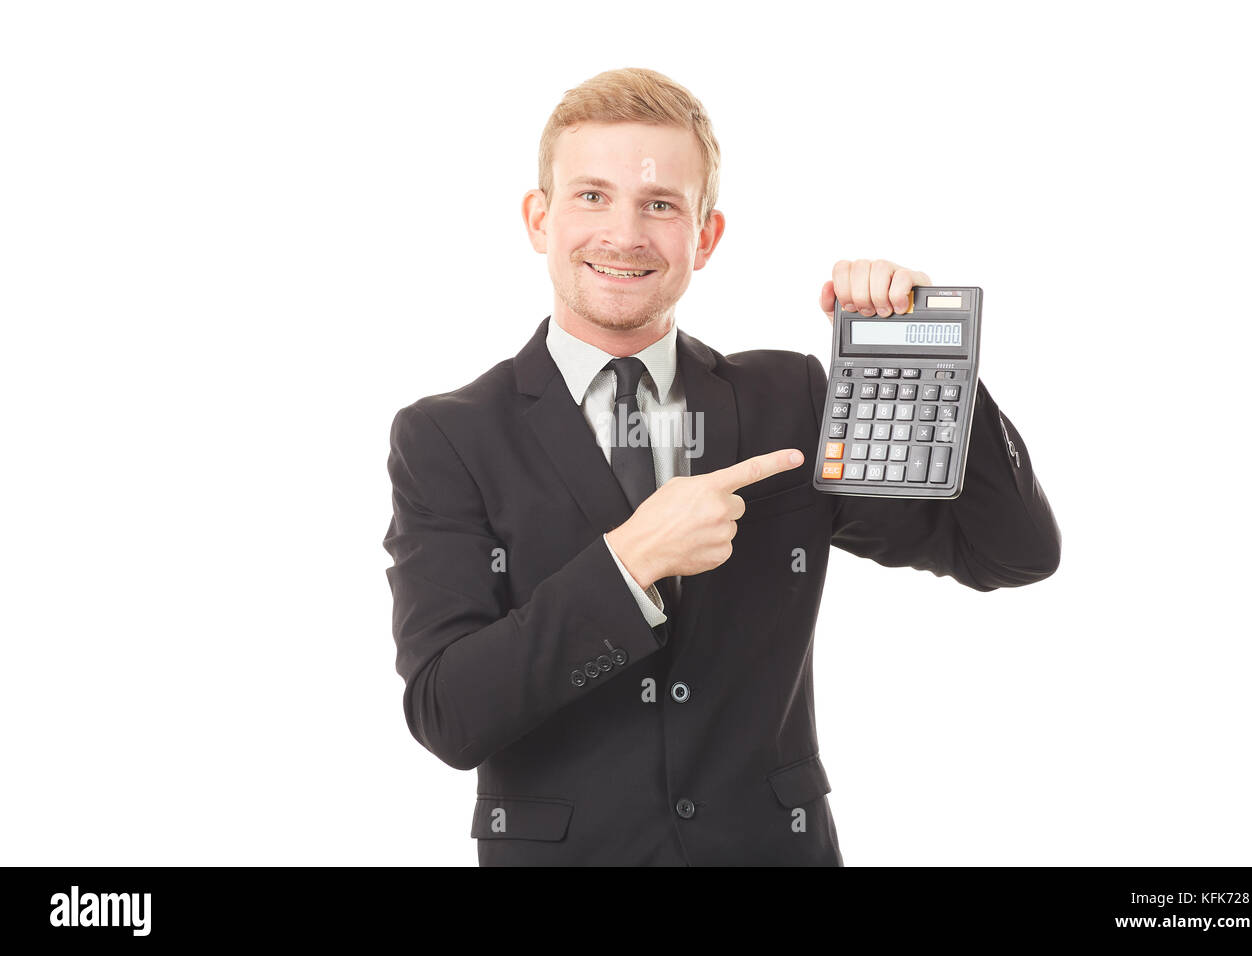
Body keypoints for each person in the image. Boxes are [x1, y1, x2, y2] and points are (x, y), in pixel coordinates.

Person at [382, 67, 1061, 866]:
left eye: (661, 204)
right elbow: (449, 714)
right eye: (592, 196)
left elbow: (1008, 552)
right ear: (539, 219)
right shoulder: (448, 436)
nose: (625, 233)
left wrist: (931, 357)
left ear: (705, 237)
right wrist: (629, 563)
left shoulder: (790, 398)